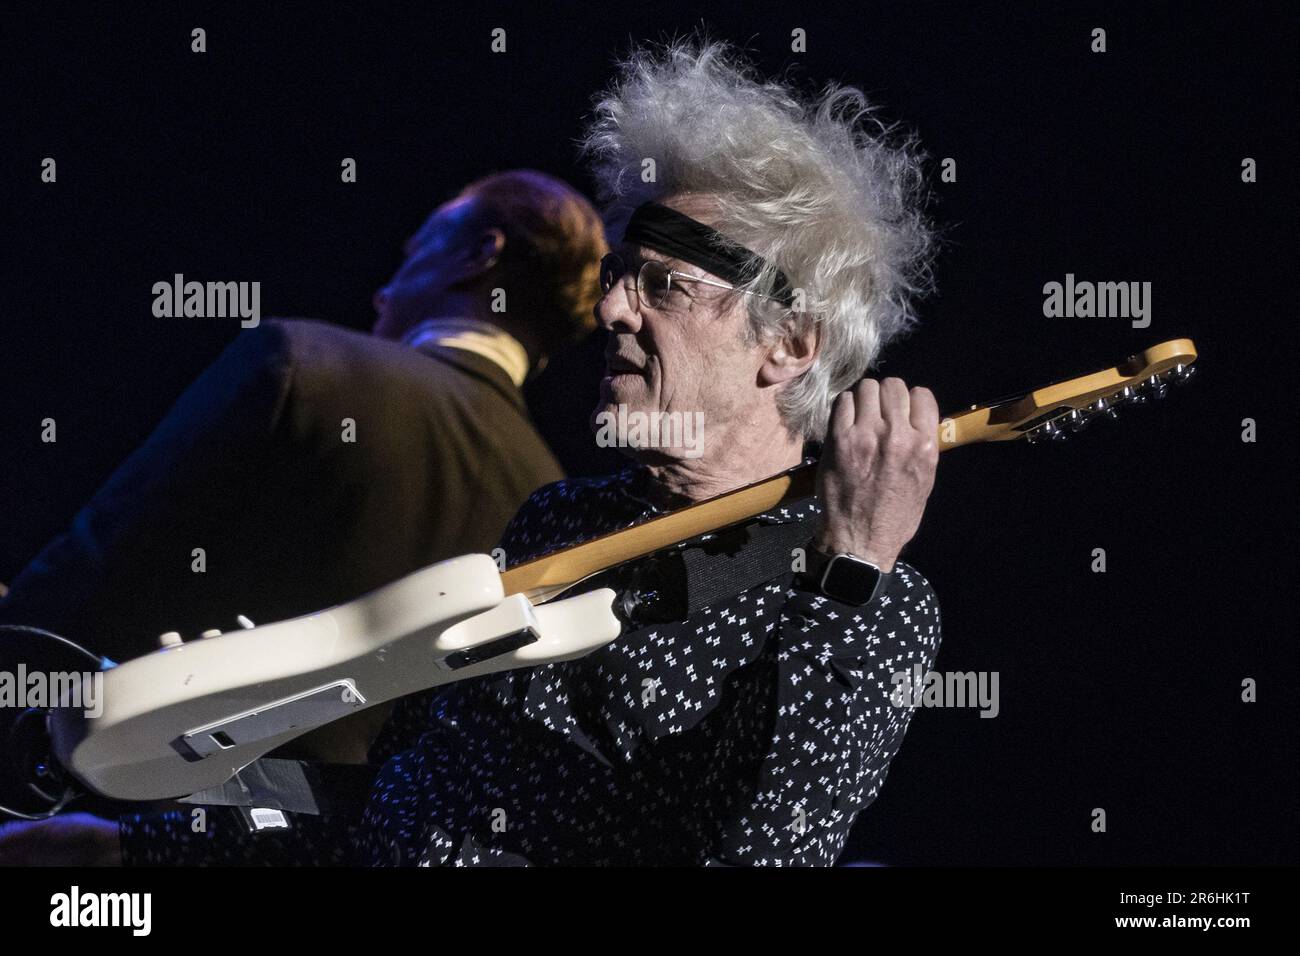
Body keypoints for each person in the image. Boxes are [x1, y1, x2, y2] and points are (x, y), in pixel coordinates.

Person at [2, 40, 942, 866]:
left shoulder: (868, 599)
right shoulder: (560, 517)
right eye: (617, 276)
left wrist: (852, 571)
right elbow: (406, 802)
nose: (613, 309)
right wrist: (134, 842)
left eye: (664, 284)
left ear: (790, 344)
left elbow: (768, 852)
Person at [0, 169, 607, 766]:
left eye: (416, 249)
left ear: (481, 253)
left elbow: (100, 562)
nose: (382, 292)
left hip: (145, 811)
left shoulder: (304, 364)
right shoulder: (559, 502)